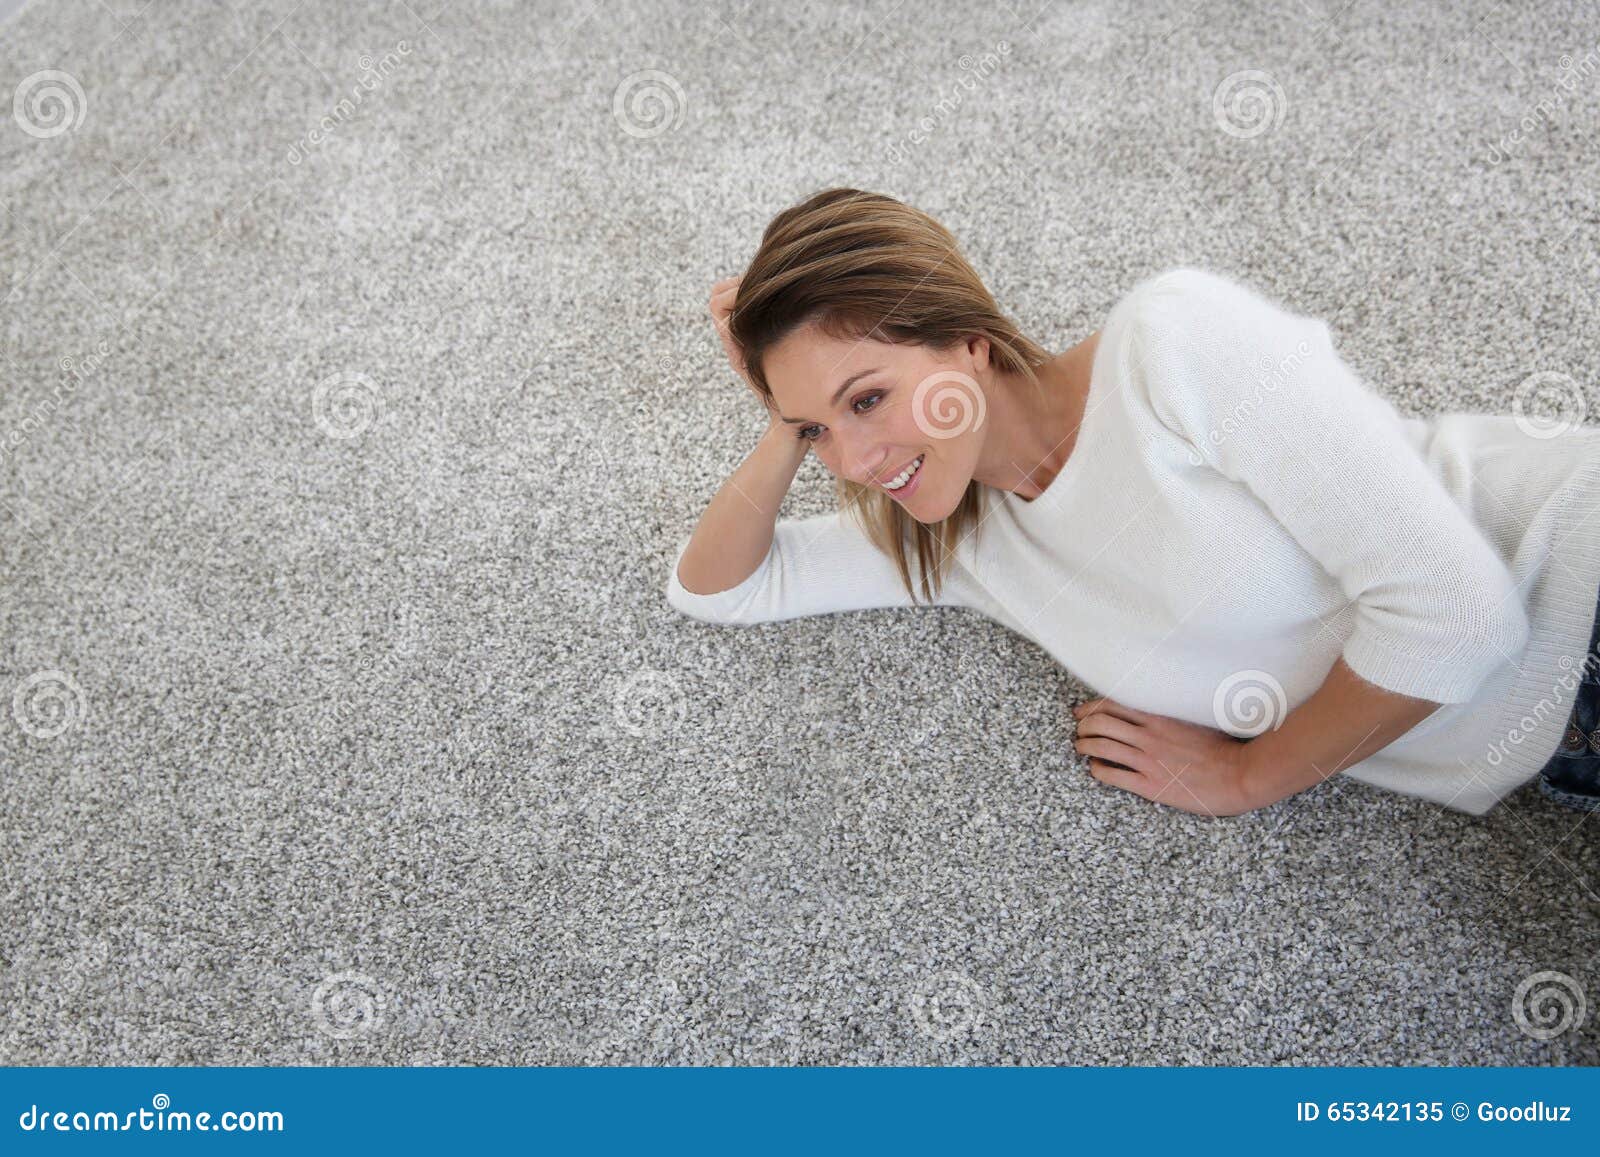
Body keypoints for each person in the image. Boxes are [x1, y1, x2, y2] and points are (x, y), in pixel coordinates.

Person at [666, 187, 1600, 819]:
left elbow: (1464, 616)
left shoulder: (1175, 343)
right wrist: (786, 416)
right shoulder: (958, 535)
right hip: (1558, 755)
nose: (858, 461)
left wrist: (1247, 773)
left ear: (969, 344)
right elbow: (718, 588)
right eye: (818, 432)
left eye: (868, 397)